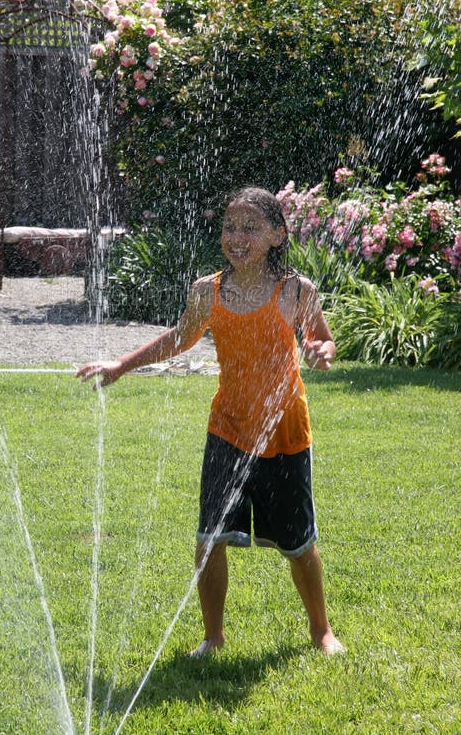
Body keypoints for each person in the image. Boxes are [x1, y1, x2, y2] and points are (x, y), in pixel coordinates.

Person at [76, 187, 344, 657]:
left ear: (277, 235)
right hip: (228, 428)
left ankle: (321, 630)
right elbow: (180, 338)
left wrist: (322, 350)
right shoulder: (209, 291)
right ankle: (213, 637)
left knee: (299, 545)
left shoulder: (295, 290)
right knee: (208, 539)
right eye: (229, 227)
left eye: (250, 228)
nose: (236, 237)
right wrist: (123, 364)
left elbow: (323, 340)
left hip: (284, 433)